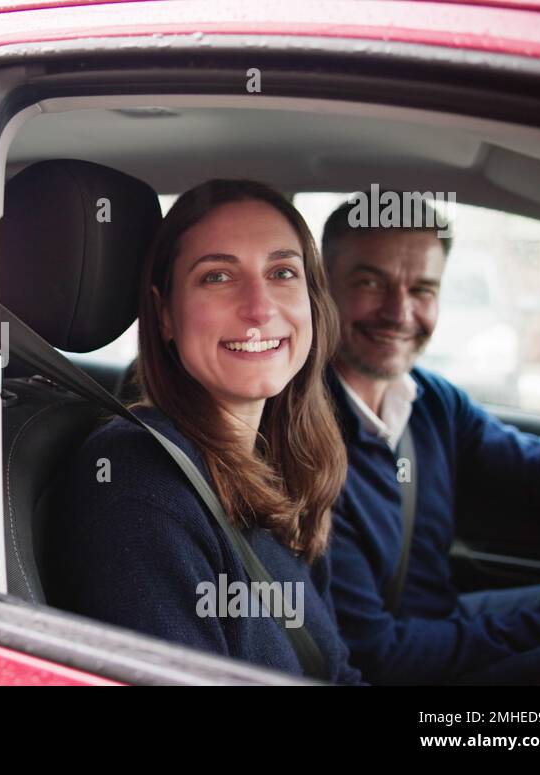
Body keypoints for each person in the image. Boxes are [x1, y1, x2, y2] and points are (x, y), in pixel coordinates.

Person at [49, 179, 361, 683]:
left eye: (282, 272)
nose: (260, 308)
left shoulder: (282, 462)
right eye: (218, 276)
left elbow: (337, 671)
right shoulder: (138, 484)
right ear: (166, 314)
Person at [320, 193, 540, 684]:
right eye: (371, 282)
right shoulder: (297, 436)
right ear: (322, 287)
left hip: (436, 623)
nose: (399, 313)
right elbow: (373, 654)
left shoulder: (432, 401)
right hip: (394, 664)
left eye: (423, 289)